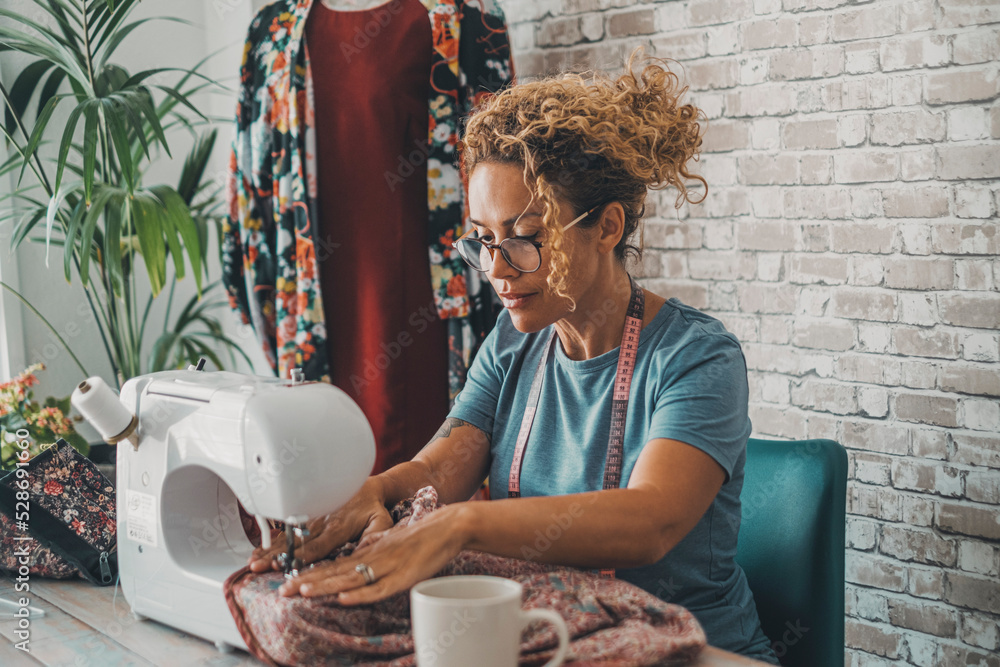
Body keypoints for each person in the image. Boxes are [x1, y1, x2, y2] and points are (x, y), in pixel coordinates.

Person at [248, 48, 779, 663]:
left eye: (525, 238)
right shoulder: (512, 341)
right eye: (483, 240)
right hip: (557, 639)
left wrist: (462, 526)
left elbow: (650, 520)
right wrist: (377, 492)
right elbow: (441, 466)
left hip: (697, 652)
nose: (497, 270)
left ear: (607, 227)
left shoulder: (697, 357)